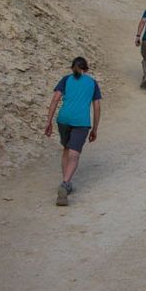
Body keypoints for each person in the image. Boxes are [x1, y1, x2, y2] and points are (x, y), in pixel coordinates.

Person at [44, 56, 101, 206]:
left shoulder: (66, 80)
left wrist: (49, 121)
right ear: (86, 69)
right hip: (81, 122)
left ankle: (66, 183)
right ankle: (65, 183)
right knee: (74, 154)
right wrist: (95, 128)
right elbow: (96, 107)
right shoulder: (92, 83)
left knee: (66, 148)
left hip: (63, 119)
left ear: (72, 68)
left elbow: (55, 99)